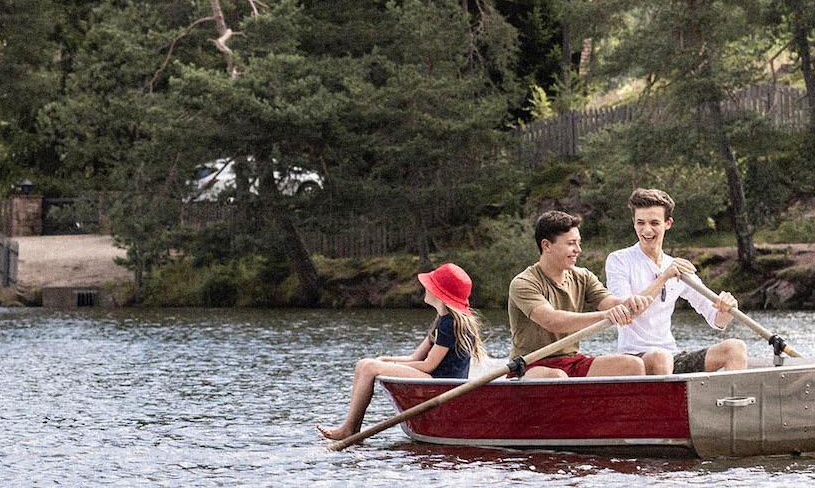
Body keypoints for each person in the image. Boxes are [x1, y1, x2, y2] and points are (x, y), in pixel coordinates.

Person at [316, 262, 485, 442]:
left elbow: (428, 366)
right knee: (364, 364)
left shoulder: (450, 324)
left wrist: (385, 366)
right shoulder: (441, 320)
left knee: (369, 367)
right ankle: (351, 428)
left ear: (440, 294)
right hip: (434, 378)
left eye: (430, 286)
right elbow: (415, 358)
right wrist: (386, 360)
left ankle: (349, 430)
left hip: (443, 383)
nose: (425, 288)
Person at [604, 188, 750, 375]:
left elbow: (716, 320)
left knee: (735, 348)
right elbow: (626, 312)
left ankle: (734, 403)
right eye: (640, 223)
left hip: (671, 356)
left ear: (668, 223)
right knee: (660, 357)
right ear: (634, 223)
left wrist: (727, 309)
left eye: (654, 223)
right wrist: (664, 277)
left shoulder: (676, 267)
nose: (646, 230)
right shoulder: (619, 260)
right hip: (635, 359)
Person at [508, 210, 654, 379]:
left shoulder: (583, 276)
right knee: (557, 377)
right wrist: (605, 316)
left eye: (578, 243)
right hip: (530, 365)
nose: (578, 250)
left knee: (632, 365)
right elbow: (552, 321)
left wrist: (628, 303)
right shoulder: (523, 283)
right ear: (546, 246)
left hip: (572, 361)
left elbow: (611, 303)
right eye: (571, 243)